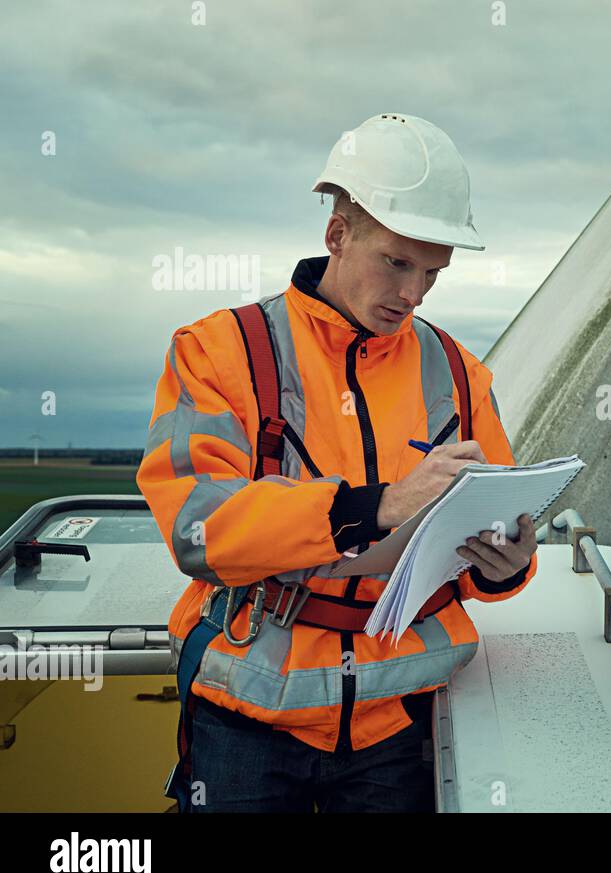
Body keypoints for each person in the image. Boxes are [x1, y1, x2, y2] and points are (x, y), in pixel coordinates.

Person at [137, 113, 538, 812]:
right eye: (397, 262)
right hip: (243, 724)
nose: (414, 294)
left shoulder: (458, 372)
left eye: (433, 272)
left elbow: (492, 527)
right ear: (337, 235)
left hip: (396, 727)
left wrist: (503, 563)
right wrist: (374, 506)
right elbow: (197, 528)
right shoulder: (218, 352)